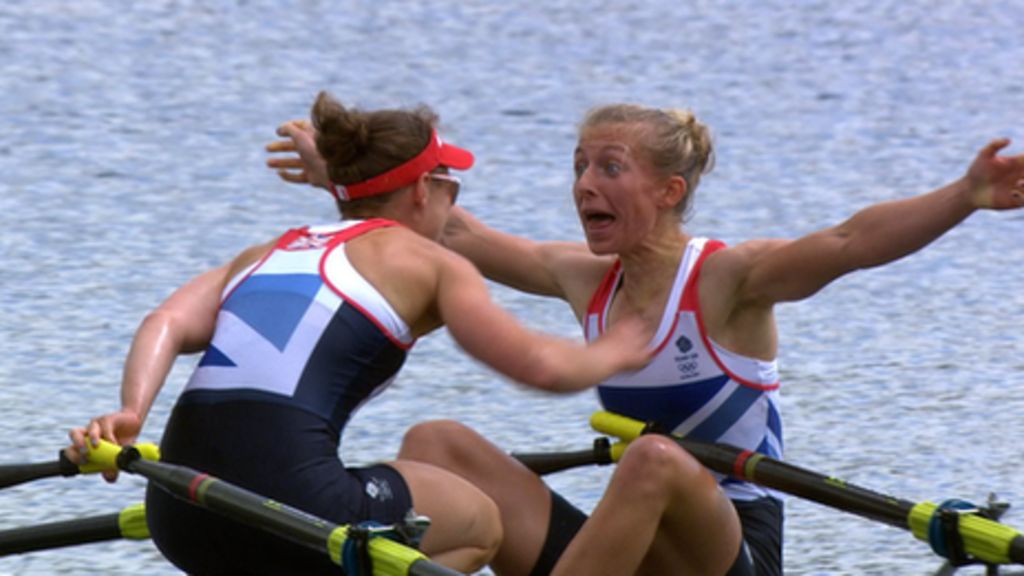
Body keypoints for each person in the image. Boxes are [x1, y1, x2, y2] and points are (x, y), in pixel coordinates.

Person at [267, 104, 1024, 576]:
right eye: (579, 167)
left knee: (655, 460)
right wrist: (344, 182)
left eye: (610, 167)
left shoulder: (728, 279)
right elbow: (453, 227)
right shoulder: (582, 277)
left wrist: (964, 196)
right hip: (625, 549)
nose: (584, 185)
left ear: (670, 193)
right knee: (437, 440)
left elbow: (852, 240)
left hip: (731, 550)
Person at [67, 92, 652, 576]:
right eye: (450, 183)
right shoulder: (430, 265)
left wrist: (130, 410)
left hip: (179, 510)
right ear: (424, 190)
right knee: (479, 522)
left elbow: (162, 322)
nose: (454, 202)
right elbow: (542, 368)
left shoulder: (265, 253)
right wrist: (619, 348)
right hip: (294, 510)